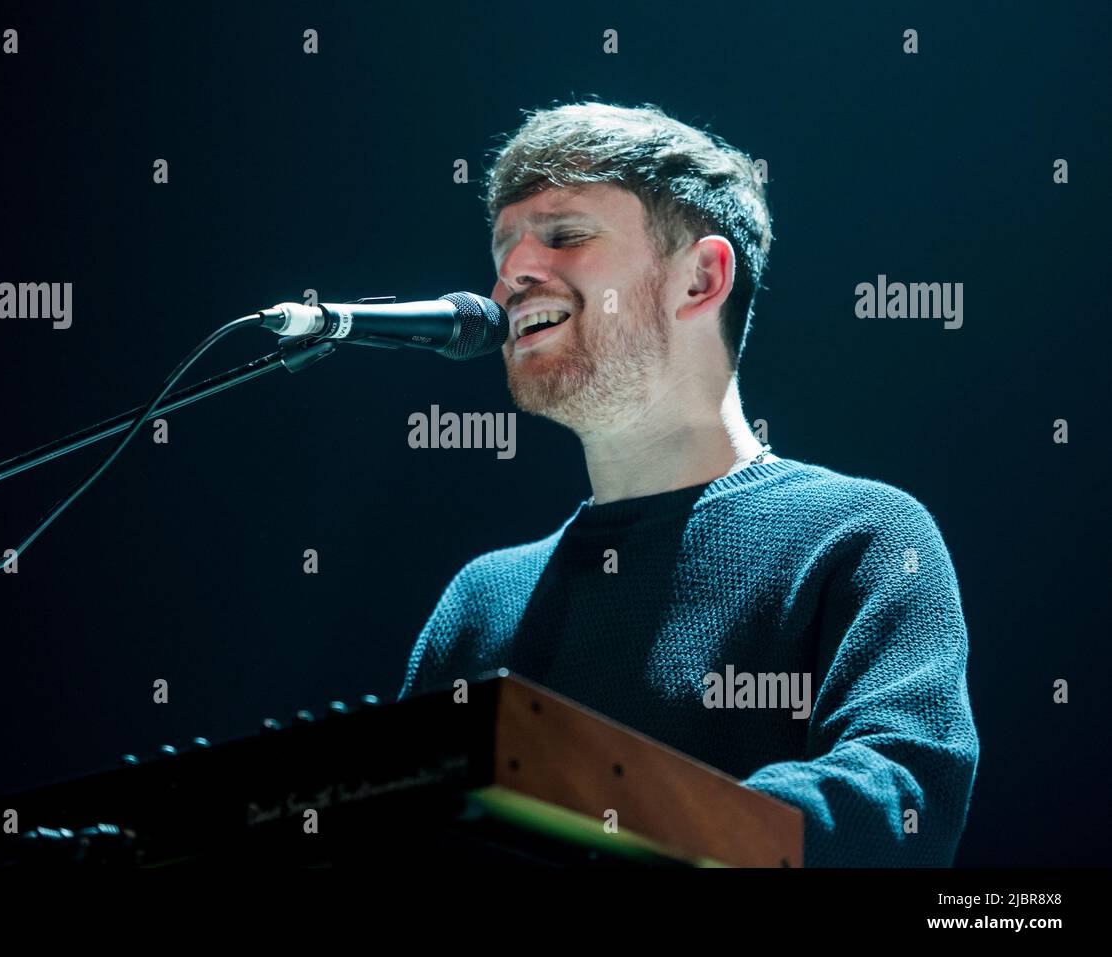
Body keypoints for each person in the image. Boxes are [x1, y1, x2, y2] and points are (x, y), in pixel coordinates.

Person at [396, 102, 981, 867]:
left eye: (565, 235)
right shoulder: (480, 602)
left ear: (701, 276)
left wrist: (609, 814)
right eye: (503, 247)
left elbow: (897, 802)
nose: (511, 276)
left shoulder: (861, 536)